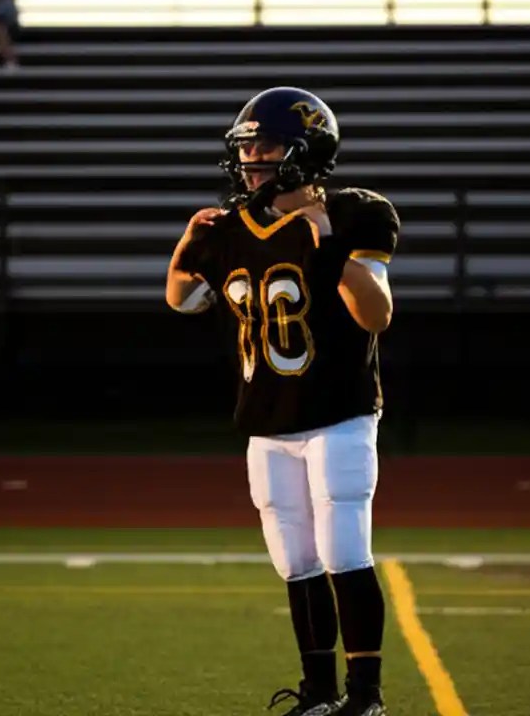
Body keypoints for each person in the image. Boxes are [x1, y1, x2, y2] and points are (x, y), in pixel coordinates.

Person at [165, 86, 398, 716]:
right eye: (247, 149)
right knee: (295, 561)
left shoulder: (355, 215)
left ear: (305, 152)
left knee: (344, 549)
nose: (251, 162)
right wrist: (186, 246)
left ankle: (367, 697)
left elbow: (376, 316)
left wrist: (328, 250)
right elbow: (183, 299)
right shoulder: (229, 226)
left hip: (339, 411)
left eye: (265, 148)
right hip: (266, 421)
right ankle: (319, 692)